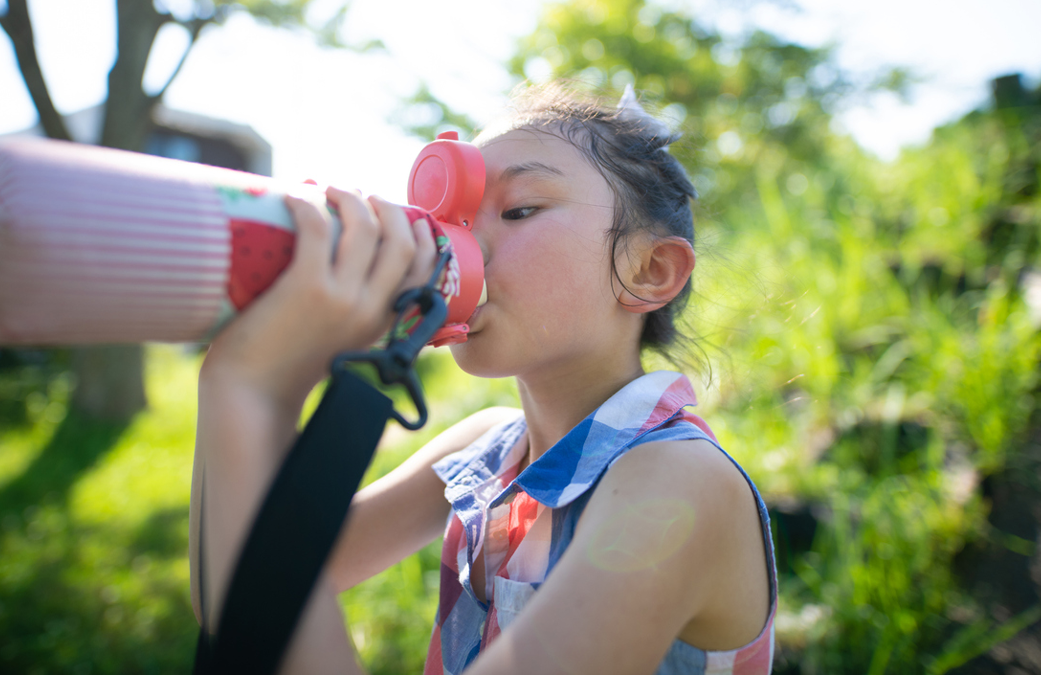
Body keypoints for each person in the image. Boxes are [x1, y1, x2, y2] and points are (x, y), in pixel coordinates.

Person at [189, 83, 777, 675]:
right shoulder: (486, 449)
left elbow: (262, 601)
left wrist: (252, 396)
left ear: (651, 271)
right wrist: (246, 379)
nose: (458, 245)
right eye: (452, 219)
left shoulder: (679, 481)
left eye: (518, 209)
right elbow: (232, 599)